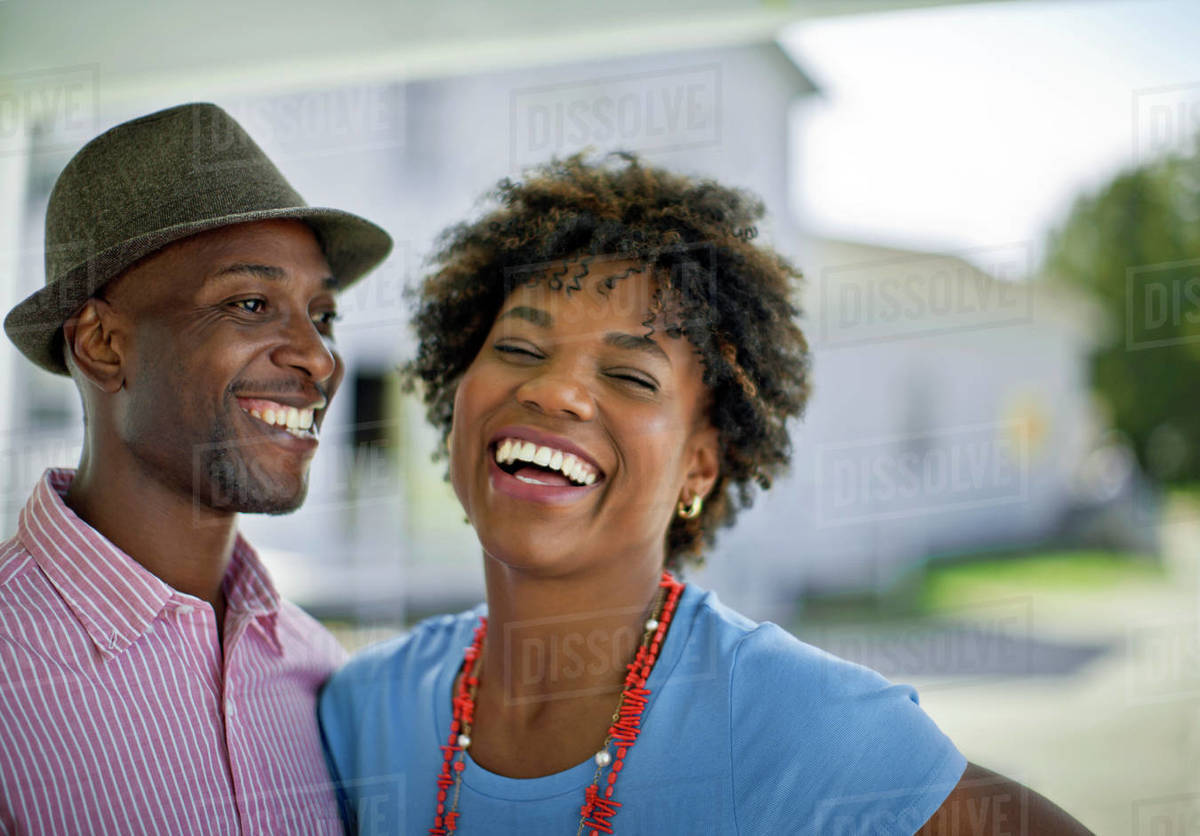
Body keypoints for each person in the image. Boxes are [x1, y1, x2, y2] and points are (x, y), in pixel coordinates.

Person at [318, 154, 1088, 834]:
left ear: (699, 467)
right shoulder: (363, 713)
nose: (554, 391)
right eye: (518, 348)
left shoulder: (796, 722)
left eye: (629, 376)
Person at [0, 102, 391, 833]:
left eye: (324, 315)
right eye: (250, 303)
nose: (318, 357)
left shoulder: (317, 673)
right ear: (103, 345)